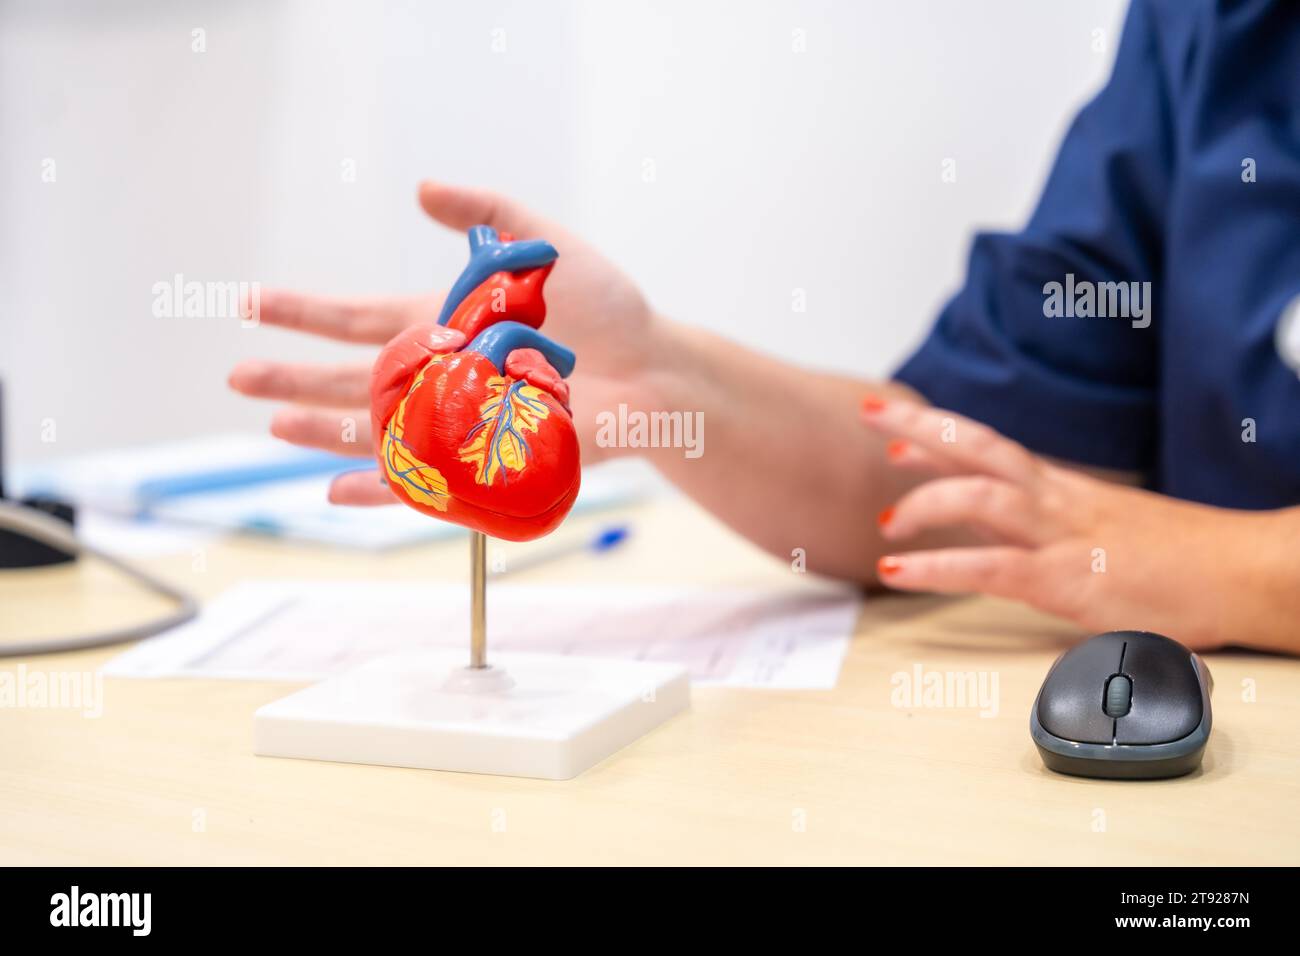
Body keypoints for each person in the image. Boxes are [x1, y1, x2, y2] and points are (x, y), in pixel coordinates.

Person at [230, 0, 1300, 655]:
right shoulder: (1220, 29)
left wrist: (1228, 563)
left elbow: (1114, 540)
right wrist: (665, 383)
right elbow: (968, 489)